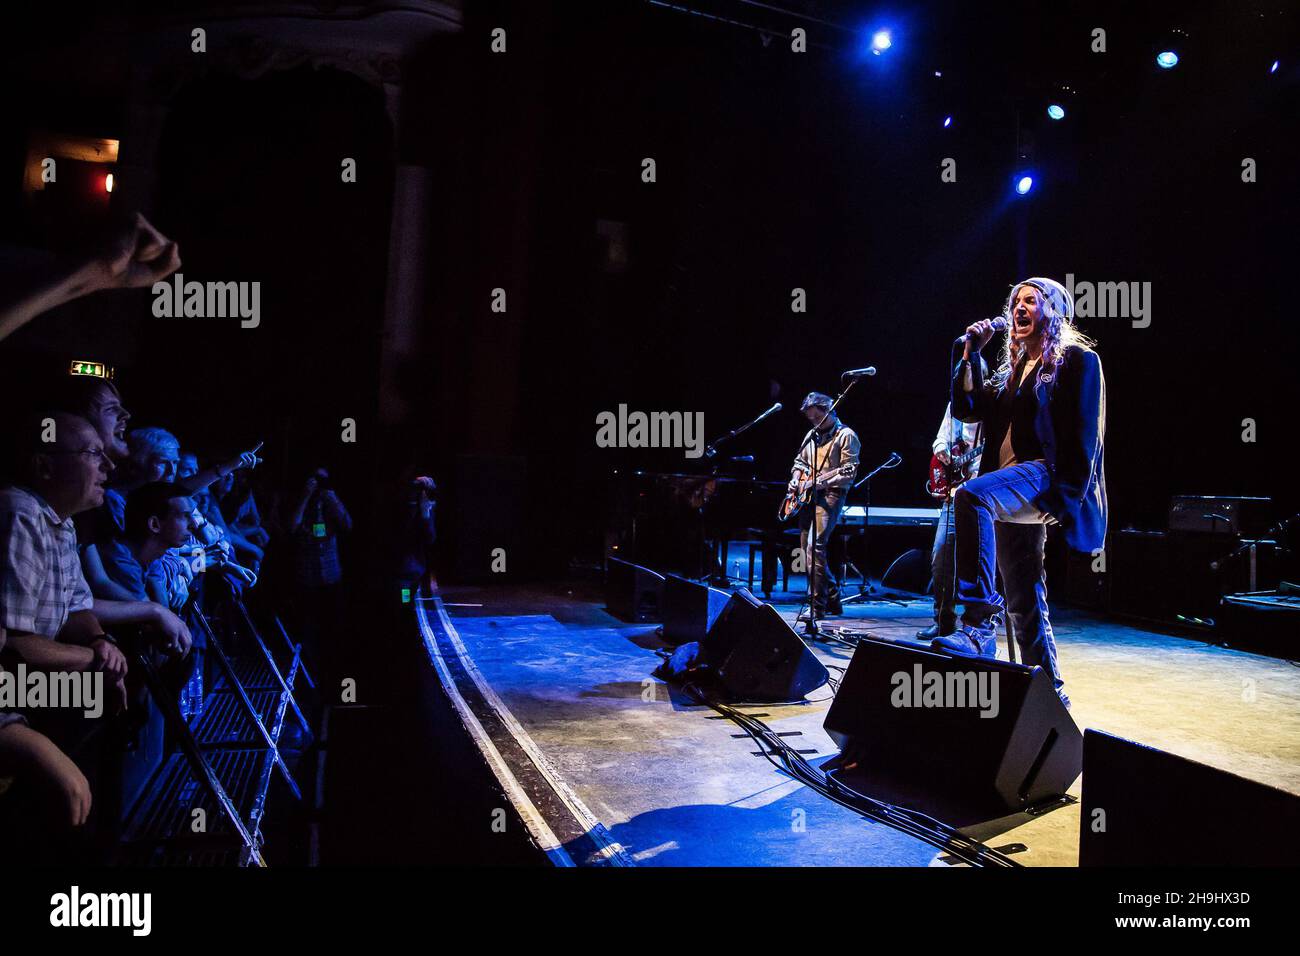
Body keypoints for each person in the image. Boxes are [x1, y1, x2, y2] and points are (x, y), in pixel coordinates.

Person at [942, 277, 1107, 708]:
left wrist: (1066, 498)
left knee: (970, 496)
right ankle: (1049, 694)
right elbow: (967, 408)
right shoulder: (1013, 370)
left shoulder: (1077, 361)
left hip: (1043, 476)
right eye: (1015, 300)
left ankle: (977, 622)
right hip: (1009, 484)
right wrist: (971, 353)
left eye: (1030, 301)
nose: (1019, 307)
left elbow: (1088, 435)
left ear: (1053, 310)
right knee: (1025, 595)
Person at [788, 393, 860, 624]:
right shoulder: (811, 435)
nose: (814, 421)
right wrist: (796, 480)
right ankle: (832, 595)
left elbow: (849, 472)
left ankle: (817, 607)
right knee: (806, 550)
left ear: (828, 411)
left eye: (817, 417)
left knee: (815, 547)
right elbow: (800, 462)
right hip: (807, 495)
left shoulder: (846, 436)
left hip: (831, 495)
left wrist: (823, 482)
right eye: (810, 418)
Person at [916, 404, 981, 641]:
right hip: (955, 494)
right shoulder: (957, 403)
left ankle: (978, 627)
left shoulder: (993, 401)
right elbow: (941, 437)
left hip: (985, 495)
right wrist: (942, 450)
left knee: (982, 564)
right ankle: (943, 622)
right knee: (941, 556)